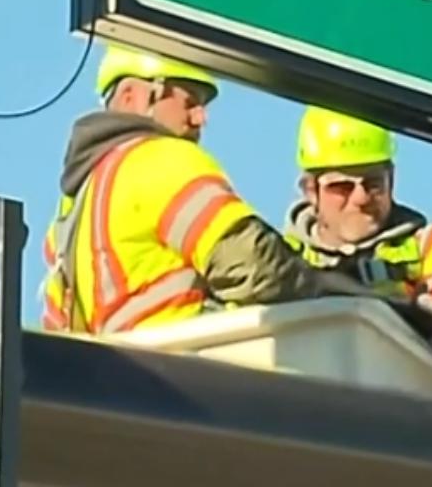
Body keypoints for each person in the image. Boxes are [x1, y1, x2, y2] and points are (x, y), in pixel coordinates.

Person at [40, 44, 342, 335]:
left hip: (113, 381)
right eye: (189, 101)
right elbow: (256, 267)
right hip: (193, 371)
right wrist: (333, 294)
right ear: (132, 97)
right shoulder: (159, 158)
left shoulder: (69, 212)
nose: (201, 118)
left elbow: (56, 330)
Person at [282, 105, 432, 333]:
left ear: (391, 180)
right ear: (310, 191)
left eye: (373, 184)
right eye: (342, 187)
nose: (361, 198)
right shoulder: (283, 256)